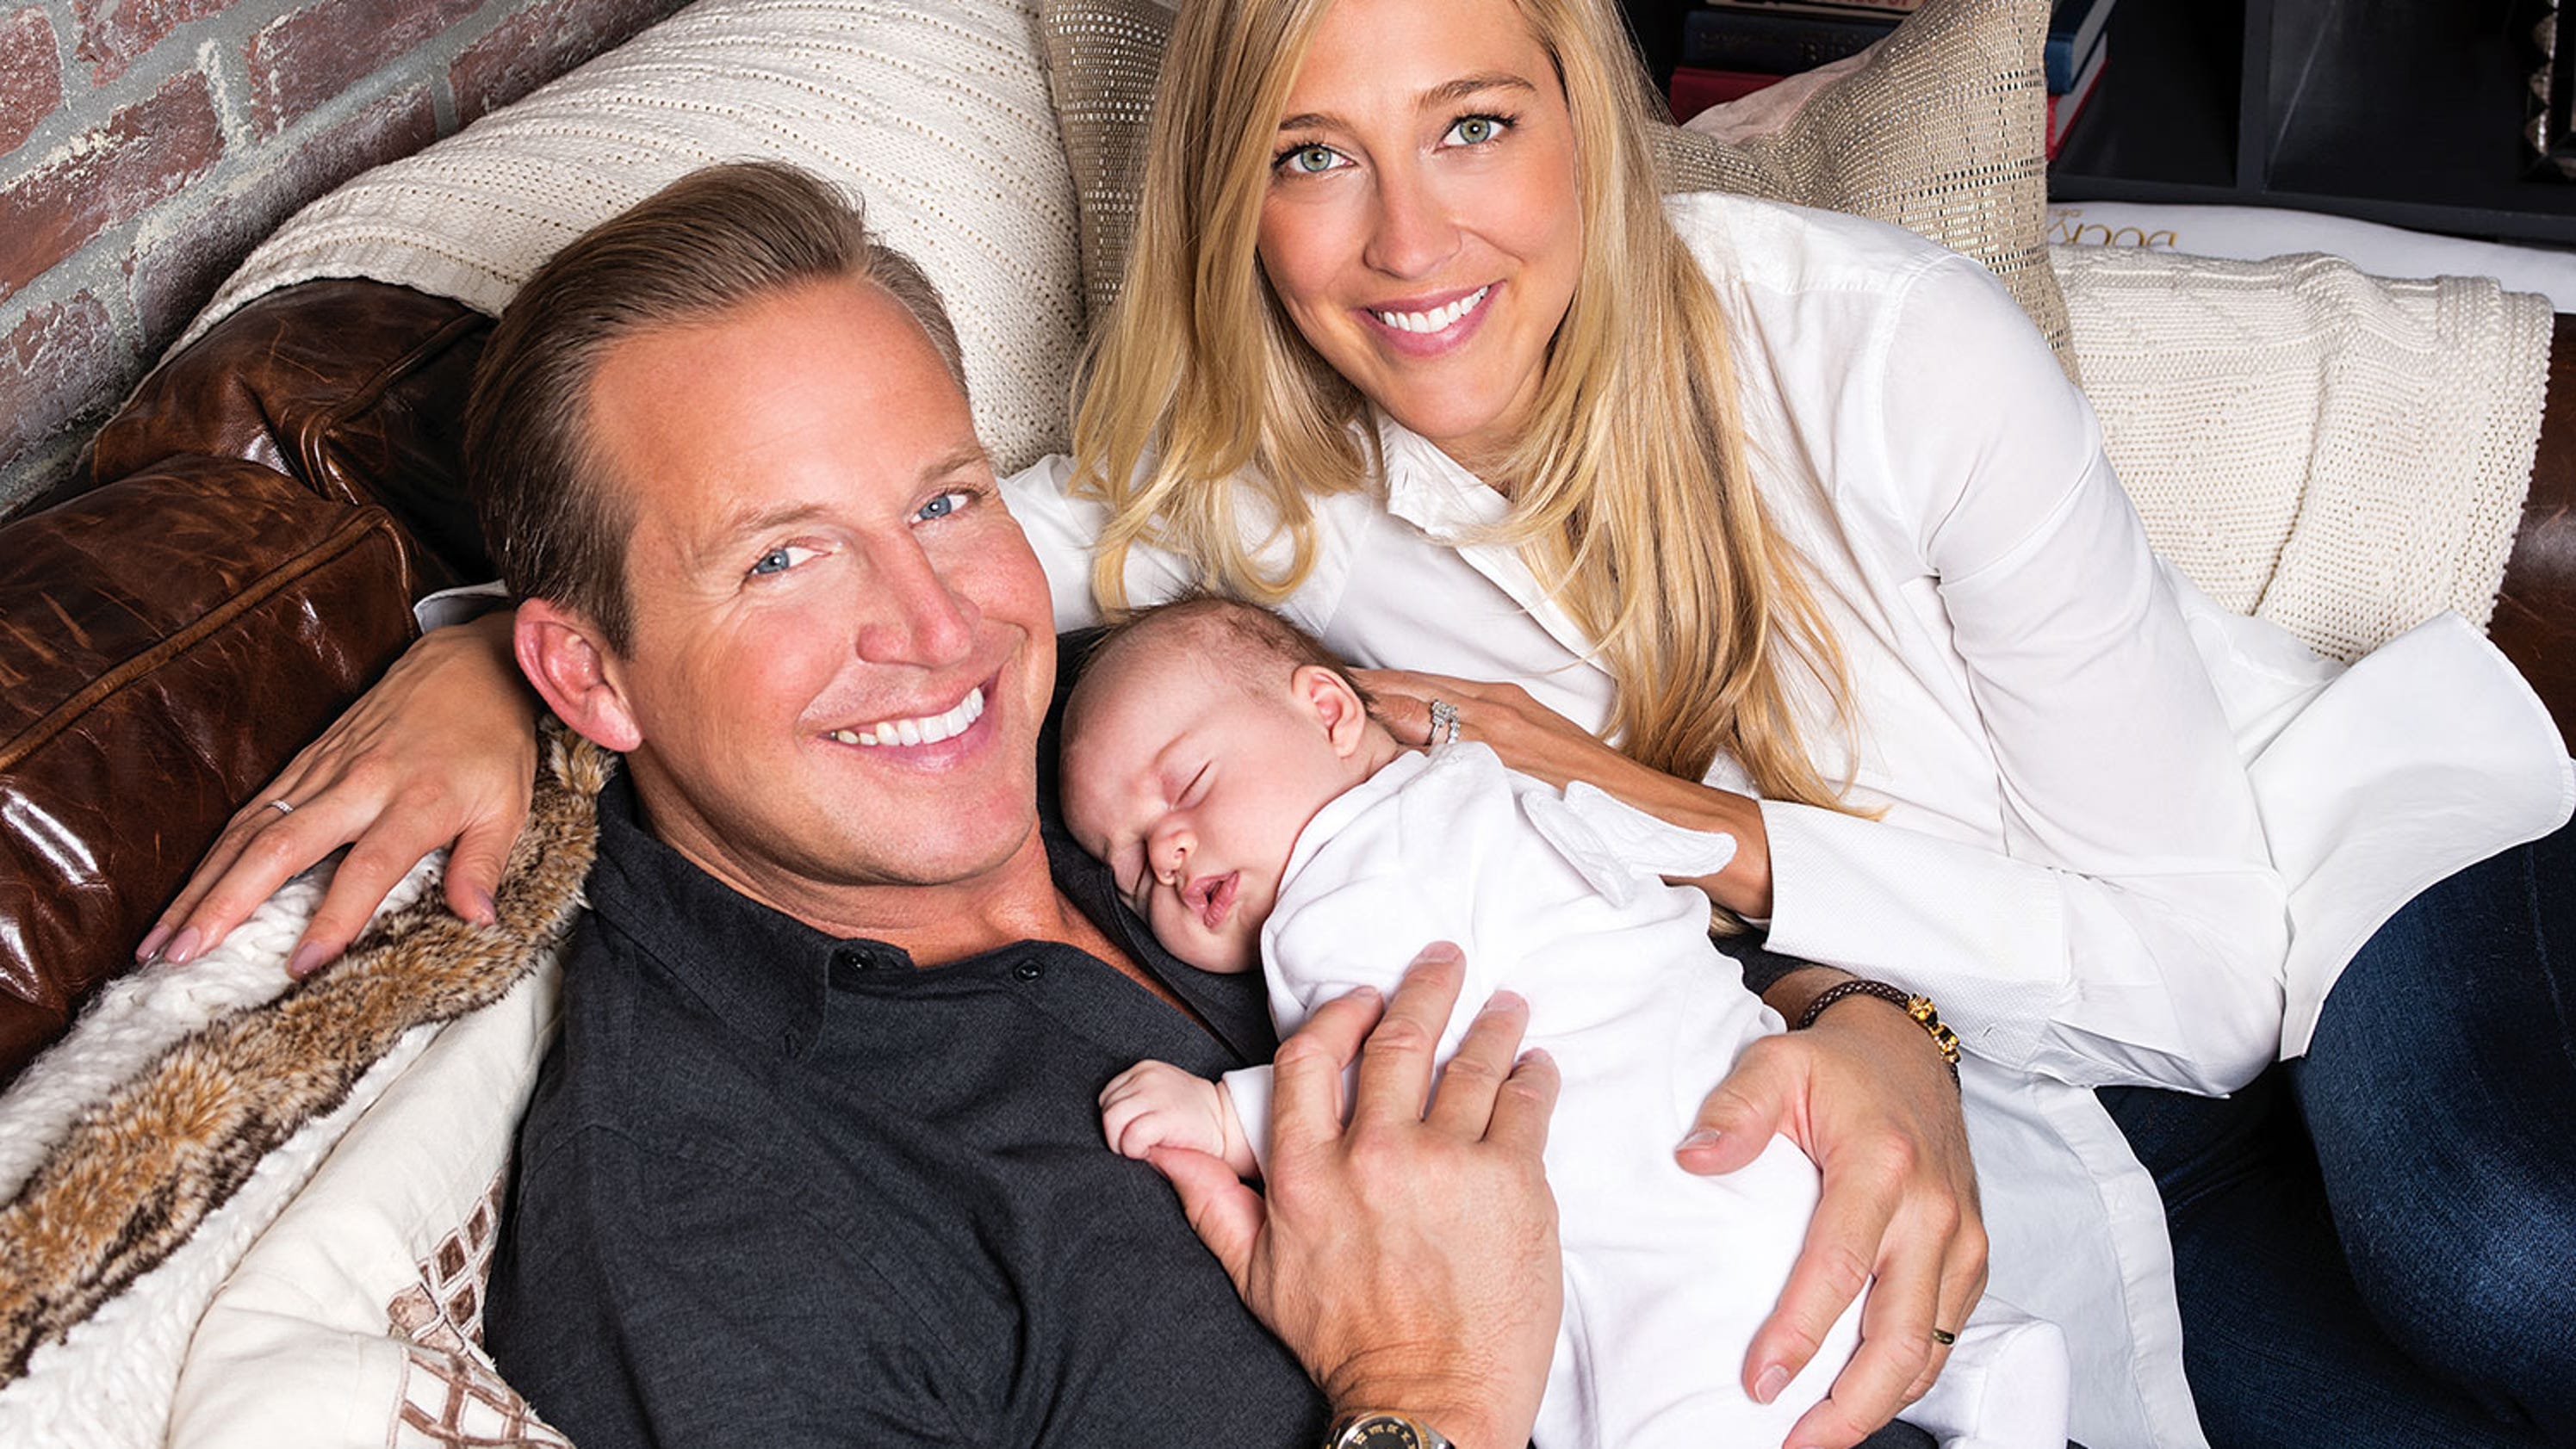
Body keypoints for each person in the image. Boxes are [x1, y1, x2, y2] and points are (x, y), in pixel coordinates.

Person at [143, 0, 2575, 1443]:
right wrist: (489, 656)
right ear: (1237, 202)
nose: (1407, 250)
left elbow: (2177, 972)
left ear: (1593, 128)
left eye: (1475, 126)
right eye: (1315, 155)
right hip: (1972, 1185)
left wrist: (1800, 941)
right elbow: (880, 574)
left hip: (2264, 914)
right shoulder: (1219, 572)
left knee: (2489, 1244)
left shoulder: (1867, 359)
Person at [450, 161, 1569, 1448]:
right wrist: (1428, 1398)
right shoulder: (710, 1222)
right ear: (586, 672)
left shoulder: (1122, 729)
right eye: (782, 557)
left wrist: (1847, 1017)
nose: (937, 626)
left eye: (944, 500)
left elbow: (1541, 847)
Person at [1062, 597, 2069, 1449]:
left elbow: (1376, 1087)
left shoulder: (1350, 882)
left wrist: (1224, 1115)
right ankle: (1984, 1368)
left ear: (1328, 711)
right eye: (1129, 862)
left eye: (1188, 788)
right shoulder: (1476, 791)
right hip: (1761, 1127)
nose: (1171, 855)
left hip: (1664, 1222)